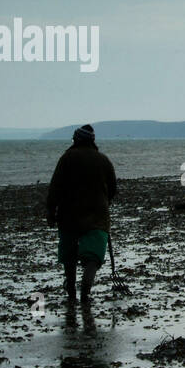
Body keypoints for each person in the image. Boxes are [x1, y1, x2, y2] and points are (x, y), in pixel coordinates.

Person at [46, 124, 117, 307]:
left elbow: (55, 187)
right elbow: (113, 189)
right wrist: (105, 202)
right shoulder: (103, 160)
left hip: (69, 214)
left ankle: (71, 291)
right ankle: (86, 288)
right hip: (97, 215)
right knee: (93, 255)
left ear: (76, 140)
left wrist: (50, 211)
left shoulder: (67, 158)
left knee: (69, 255)